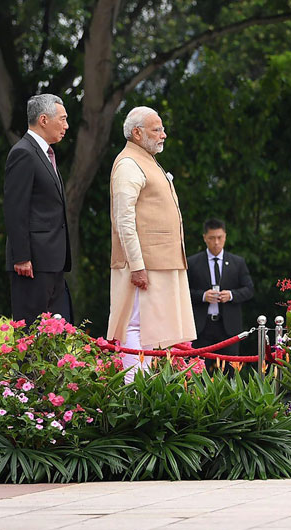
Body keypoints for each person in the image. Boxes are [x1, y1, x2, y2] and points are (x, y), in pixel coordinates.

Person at [106, 106, 195, 383]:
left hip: (158, 261)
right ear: (137, 132)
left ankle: (145, 390)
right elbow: (124, 220)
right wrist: (137, 265)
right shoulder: (128, 164)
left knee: (152, 329)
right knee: (135, 324)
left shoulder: (145, 160)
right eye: (157, 129)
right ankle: (134, 390)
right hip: (143, 263)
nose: (164, 134)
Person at [3, 94, 71, 325]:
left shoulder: (45, 153)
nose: (66, 125)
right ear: (43, 119)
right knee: (32, 335)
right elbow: (15, 208)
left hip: (53, 260)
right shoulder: (23, 152)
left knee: (54, 335)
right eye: (62, 119)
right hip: (32, 264)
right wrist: (21, 256)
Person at [187, 219, 254, 374]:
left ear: (225, 236)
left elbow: (249, 289)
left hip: (228, 327)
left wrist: (231, 295)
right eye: (211, 238)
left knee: (230, 371)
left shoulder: (237, 262)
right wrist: (203, 296)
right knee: (199, 371)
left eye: (219, 237)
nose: (216, 242)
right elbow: (184, 292)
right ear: (204, 237)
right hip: (202, 327)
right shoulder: (194, 262)